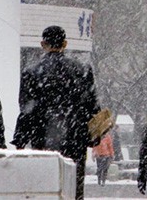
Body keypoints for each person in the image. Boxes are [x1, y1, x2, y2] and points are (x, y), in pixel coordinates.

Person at [12, 26, 100, 200]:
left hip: (42, 136)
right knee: (74, 186)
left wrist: (21, 137)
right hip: (75, 136)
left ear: (43, 44)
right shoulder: (82, 70)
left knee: (45, 185)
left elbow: (26, 109)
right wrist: (93, 135)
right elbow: (92, 106)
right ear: (65, 44)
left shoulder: (31, 72)